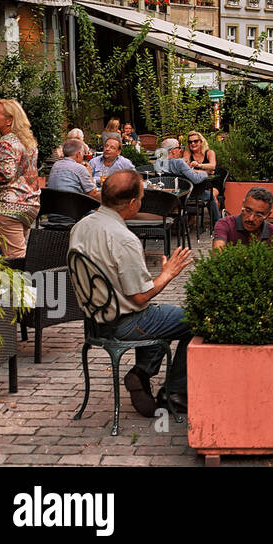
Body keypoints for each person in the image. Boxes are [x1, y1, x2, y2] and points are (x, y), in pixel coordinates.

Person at [69, 170, 193, 415]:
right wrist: (168, 272)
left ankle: (141, 373)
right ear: (134, 203)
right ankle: (175, 392)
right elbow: (140, 296)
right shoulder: (124, 238)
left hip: (94, 321)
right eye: (142, 196)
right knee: (194, 319)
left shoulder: (81, 226)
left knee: (162, 316)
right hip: (123, 323)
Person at [0, 100, 41, 258]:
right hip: (30, 204)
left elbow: (4, 174)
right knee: (21, 251)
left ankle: (21, 283)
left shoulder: (6, 142)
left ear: (9, 120)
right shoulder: (27, 141)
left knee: (14, 257)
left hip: (8, 205)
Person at [154, 138, 220, 223]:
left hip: (166, 194)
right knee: (209, 195)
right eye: (179, 147)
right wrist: (205, 173)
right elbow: (196, 179)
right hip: (186, 194)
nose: (180, 150)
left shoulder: (158, 163)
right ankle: (217, 223)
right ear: (173, 151)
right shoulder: (179, 163)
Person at [212, 187, 273, 253]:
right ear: (243, 204)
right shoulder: (225, 225)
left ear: (268, 214)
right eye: (248, 210)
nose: (251, 218)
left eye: (259, 215)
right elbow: (218, 252)